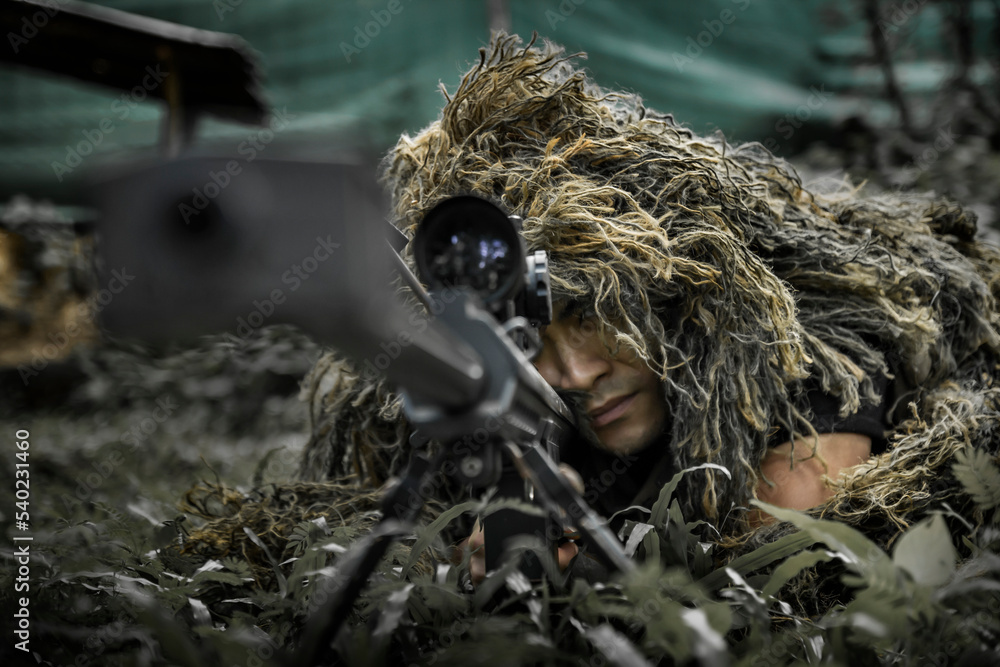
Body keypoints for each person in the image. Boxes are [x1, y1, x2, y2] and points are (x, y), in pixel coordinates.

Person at [296, 33, 1000, 580]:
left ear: (665, 292)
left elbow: (789, 550)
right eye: (531, 335)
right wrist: (465, 563)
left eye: (592, 315)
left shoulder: (793, 354)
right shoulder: (507, 401)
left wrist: (594, 572)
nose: (571, 372)